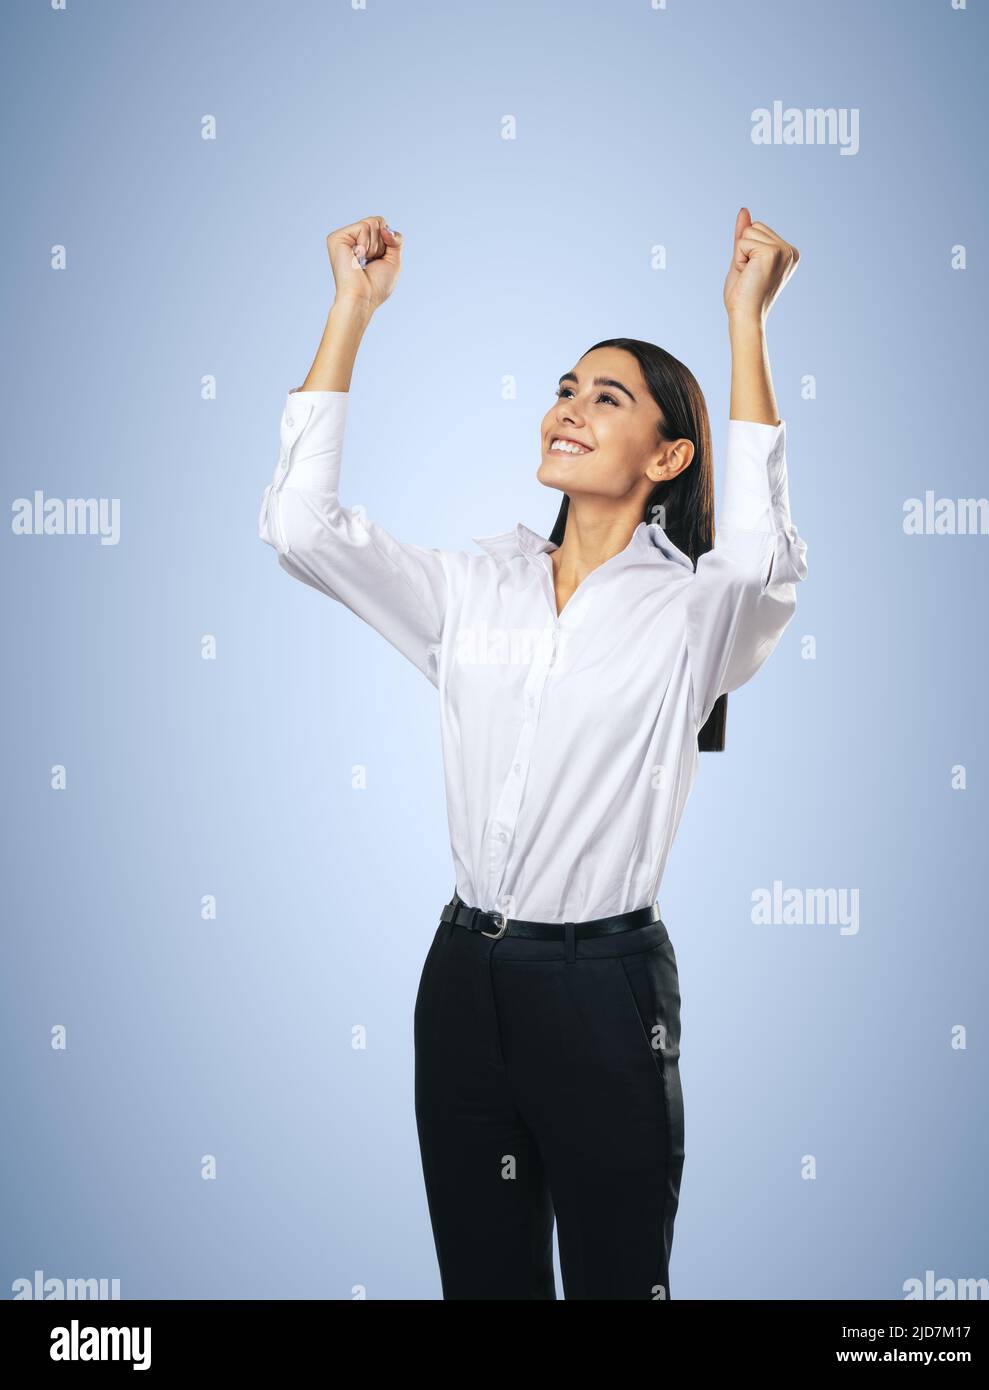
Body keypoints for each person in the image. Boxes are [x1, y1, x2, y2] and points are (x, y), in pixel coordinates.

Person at [258, 210, 808, 1300]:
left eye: (609, 398)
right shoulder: (474, 587)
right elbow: (298, 527)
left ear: (668, 456)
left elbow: (762, 558)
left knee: (617, 1281)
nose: (570, 407)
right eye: (566, 387)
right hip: (464, 977)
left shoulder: (697, 612)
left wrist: (744, 320)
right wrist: (351, 309)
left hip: (602, 988)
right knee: (484, 1284)